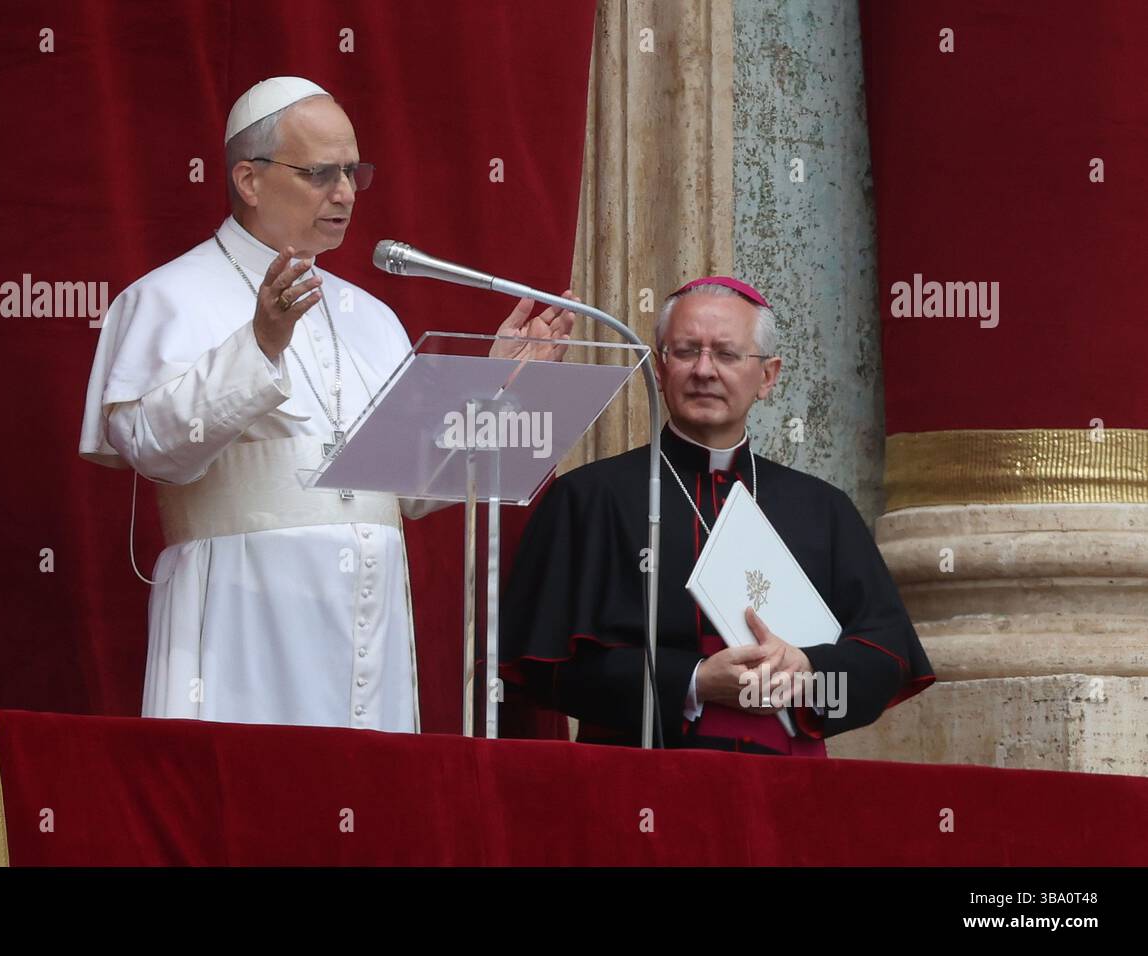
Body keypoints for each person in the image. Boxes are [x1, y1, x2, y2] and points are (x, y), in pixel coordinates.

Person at [80, 76, 574, 731]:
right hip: (238, 614)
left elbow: (414, 486)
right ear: (250, 181)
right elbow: (152, 449)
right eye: (319, 174)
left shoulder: (371, 315)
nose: (344, 193)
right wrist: (259, 345)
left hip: (371, 618)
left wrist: (496, 391)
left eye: (352, 172)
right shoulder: (166, 298)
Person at [499, 276, 934, 753]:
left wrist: (807, 672)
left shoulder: (823, 509)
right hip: (632, 783)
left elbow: (887, 659)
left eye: (727, 354)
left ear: (768, 376)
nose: (704, 370)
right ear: (660, 370)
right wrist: (695, 681)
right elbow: (542, 670)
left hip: (785, 792)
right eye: (686, 351)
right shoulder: (588, 498)